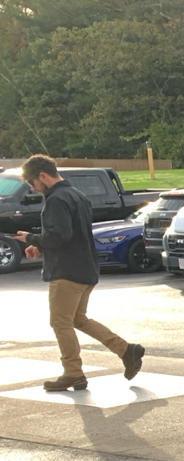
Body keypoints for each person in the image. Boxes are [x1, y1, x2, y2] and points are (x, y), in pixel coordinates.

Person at [10, 155, 144, 391]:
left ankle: (73, 373)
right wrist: (39, 244)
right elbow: (69, 233)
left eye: (32, 183)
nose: (32, 188)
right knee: (78, 319)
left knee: (60, 323)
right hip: (86, 268)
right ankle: (125, 350)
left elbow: (58, 236)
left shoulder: (56, 199)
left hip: (66, 272)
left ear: (42, 176)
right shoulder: (76, 195)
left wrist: (30, 238)